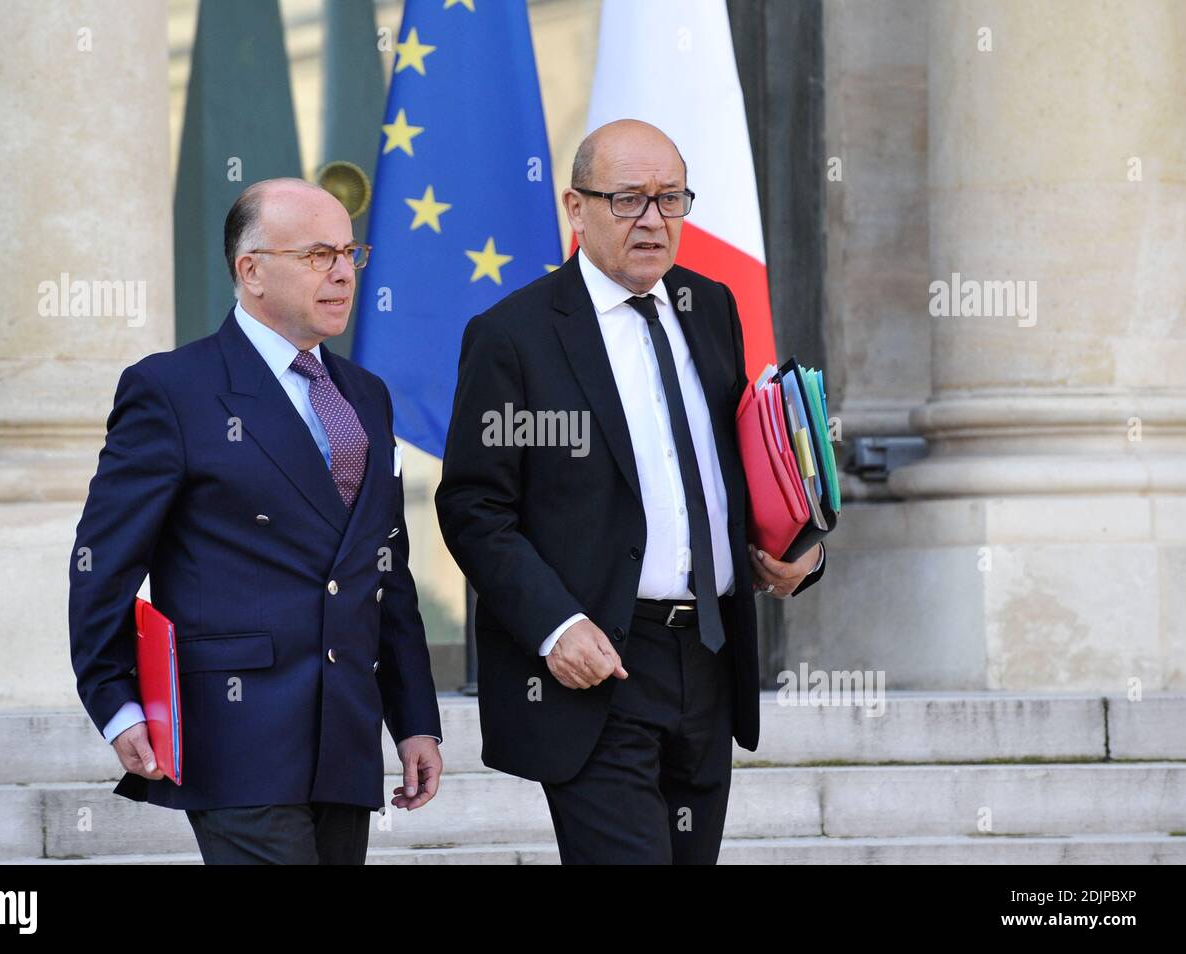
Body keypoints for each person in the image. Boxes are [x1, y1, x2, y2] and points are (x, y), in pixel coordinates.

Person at [435, 119, 825, 864]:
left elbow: (737, 464)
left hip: (709, 656)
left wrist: (797, 549)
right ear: (574, 209)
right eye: (627, 200)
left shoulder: (709, 307)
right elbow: (474, 508)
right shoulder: (513, 335)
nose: (652, 220)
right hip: (600, 667)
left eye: (670, 199)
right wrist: (554, 626)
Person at [69, 178, 442, 864]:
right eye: (317, 254)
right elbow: (104, 562)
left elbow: (386, 565)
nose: (341, 272)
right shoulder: (172, 389)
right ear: (251, 271)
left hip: (346, 737)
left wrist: (415, 718)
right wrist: (116, 700)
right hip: (234, 735)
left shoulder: (366, 396)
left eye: (349, 253)